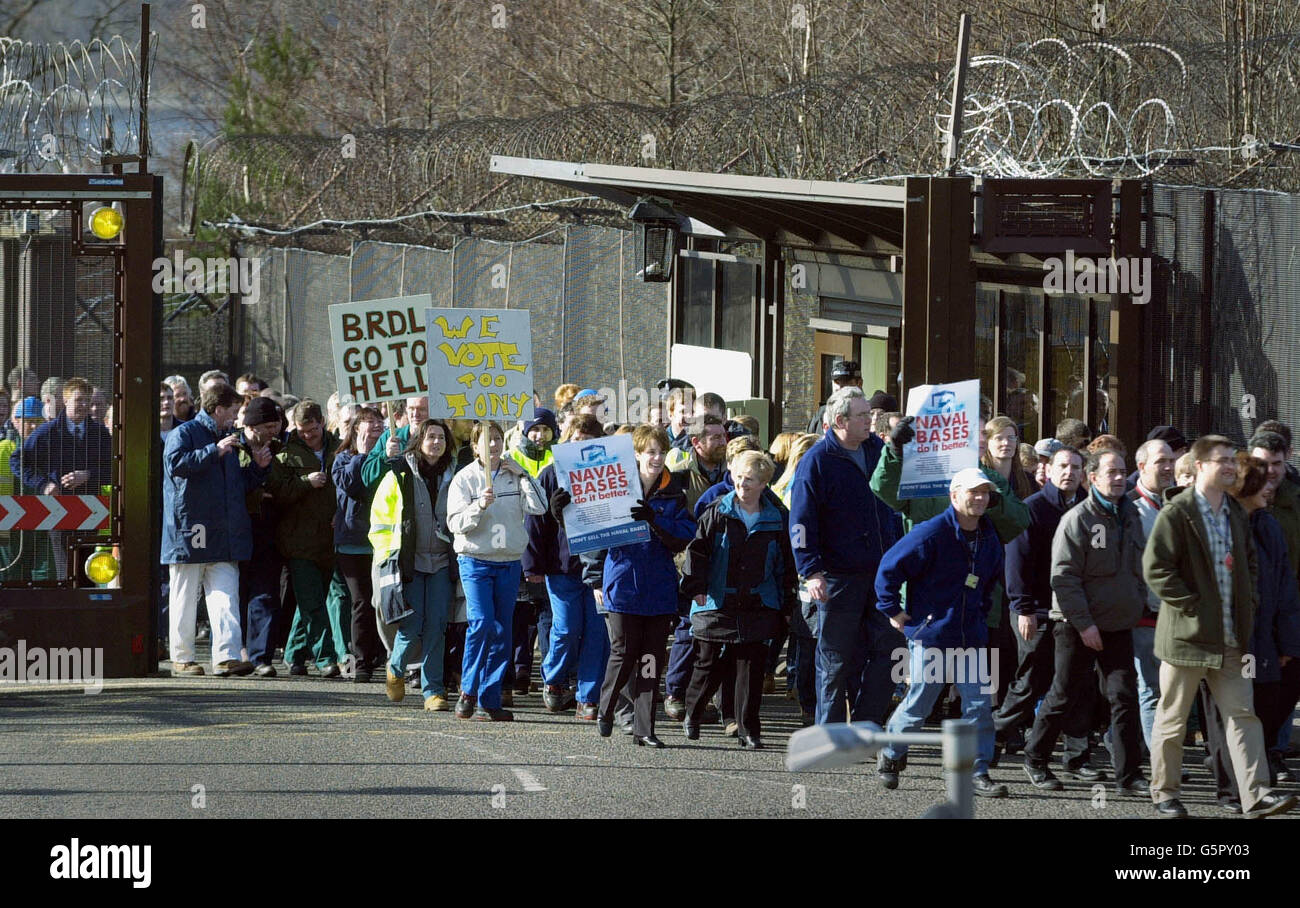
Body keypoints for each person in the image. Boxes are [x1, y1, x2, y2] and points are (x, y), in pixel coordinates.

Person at [1143, 434, 1297, 818]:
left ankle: (1256, 795)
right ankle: (1165, 793)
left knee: (1243, 716)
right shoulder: (1177, 513)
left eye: (1232, 459)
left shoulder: (1233, 511)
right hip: (1187, 639)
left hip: (1231, 639)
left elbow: (1250, 563)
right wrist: (1192, 606)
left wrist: (1250, 604)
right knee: (1173, 719)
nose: (1230, 466)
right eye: (1221, 461)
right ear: (1199, 466)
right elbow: (1156, 569)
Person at [1021, 448, 1149, 796]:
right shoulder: (1077, 519)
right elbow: (1063, 577)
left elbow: (1139, 567)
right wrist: (1084, 623)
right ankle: (1035, 758)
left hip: (1119, 624)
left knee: (1124, 697)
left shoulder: (1131, 516)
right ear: (1092, 478)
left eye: (1123, 471)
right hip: (1077, 626)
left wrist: (1136, 599)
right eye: (1111, 472)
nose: (1119, 478)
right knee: (1064, 694)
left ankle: (1129, 775)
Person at [874, 468, 1009, 798]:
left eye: (985, 493)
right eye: (972, 491)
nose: (980, 498)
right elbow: (888, 569)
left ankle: (978, 770)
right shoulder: (931, 533)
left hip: (972, 638)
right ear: (954, 495)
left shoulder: (990, 536)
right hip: (932, 636)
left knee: (978, 706)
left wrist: (980, 611)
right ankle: (891, 753)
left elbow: (990, 581)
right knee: (919, 704)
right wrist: (892, 609)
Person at [790, 386, 902, 726]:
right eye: (863, 415)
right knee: (835, 660)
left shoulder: (876, 449)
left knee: (888, 651)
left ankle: (868, 721)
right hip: (838, 576)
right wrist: (811, 571)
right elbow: (801, 522)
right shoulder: (817, 462)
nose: (871, 420)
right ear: (839, 420)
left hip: (882, 574)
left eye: (870, 414)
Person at [582, 425, 694, 745]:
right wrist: (593, 578)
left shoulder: (673, 492)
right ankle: (606, 710)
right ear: (637, 454)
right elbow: (593, 531)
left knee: (651, 659)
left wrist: (654, 519)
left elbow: (684, 535)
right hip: (622, 583)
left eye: (662, 452)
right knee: (623, 652)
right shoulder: (615, 487)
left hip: (658, 586)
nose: (657, 458)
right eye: (651, 452)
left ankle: (645, 728)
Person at [678, 450, 795, 748]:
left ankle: (749, 729)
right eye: (739, 478)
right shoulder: (717, 511)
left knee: (751, 669)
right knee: (707, 663)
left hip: (758, 602)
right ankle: (693, 712)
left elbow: (785, 563)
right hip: (716, 601)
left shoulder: (777, 517)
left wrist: (785, 602)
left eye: (750, 480)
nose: (742, 485)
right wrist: (696, 587)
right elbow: (698, 552)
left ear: (764, 484)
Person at [162, 382, 271, 676]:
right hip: (191, 527)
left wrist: (258, 468)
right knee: (184, 596)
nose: (236, 418)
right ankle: (182, 658)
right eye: (233, 411)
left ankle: (226, 655)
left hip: (222, 531)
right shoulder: (184, 433)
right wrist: (214, 451)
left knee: (225, 594)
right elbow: (175, 465)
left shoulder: (228, 439)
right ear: (218, 409)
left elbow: (236, 485)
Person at [994, 445, 1089, 766]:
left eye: (1076, 467)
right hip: (1035, 611)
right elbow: (1016, 564)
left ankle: (1077, 756)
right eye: (1063, 465)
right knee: (1031, 681)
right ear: (1047, 471)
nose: (1069, 472)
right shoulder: (1032, 509)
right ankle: (992, 736)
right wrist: (1022, 609)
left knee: (1073, 681)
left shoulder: (1087, 509)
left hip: (1075, 612)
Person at [446, 421, 547, 721]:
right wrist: (479, 506)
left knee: (503, 630)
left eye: (498, 440)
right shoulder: (464, 479)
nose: (493, 446)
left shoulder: (514, 475)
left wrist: (525, 475)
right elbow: (455, 524)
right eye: (486, 441)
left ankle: (489, 699)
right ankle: (468, 691)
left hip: (508, 562)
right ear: (475, 446)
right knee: (482, 623)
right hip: (476, 561)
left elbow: (539, 507)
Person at [525, 414, 610, 719]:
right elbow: (535, 524)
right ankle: (555, 680)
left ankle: (588, 696)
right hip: (562, 566)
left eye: (588, 441)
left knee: (597, 631)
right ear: (565, 441)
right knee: (566, 628)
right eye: (576, 440)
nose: (581, 446)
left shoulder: (608, 475)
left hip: (601, 568)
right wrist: (532, 564)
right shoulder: (550, 476)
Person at [370, 418, 458, 710]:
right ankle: (395, 669)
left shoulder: (456, 473)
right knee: (412, 624)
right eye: (430, 436)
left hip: (443, 562)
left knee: (437, 626)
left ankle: (433, 691)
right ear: (419, 440)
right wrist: (388, 556)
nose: (436, 442)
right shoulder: (399, 473)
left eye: (441, 437)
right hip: (408, 561)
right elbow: (380, 519)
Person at [266, 400, 343, 678]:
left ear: (322, 422)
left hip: (330, 539)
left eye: (312, 430)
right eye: (302, 431)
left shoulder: (340, 448)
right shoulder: (287, 454)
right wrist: (305, 482)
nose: (308, 436)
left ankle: (294, 653)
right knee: (312, 602)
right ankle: (325, 658)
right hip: (298, 540)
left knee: (313, 600)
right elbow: (278, 493)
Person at [19, 377, 113, 580]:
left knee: (87, 572)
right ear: (65, 400)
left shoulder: (101, 434)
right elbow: (18, 461)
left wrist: (88, 475)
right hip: (59, 511)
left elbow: (115, 469)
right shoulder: (47, 433)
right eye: (79, 400)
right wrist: (43, 484)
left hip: (90, 510)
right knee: (66, 571)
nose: (84, 405)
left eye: (87, 400)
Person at [1127, 438, 1177, 751]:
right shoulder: (1129, 508)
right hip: (1143, 615)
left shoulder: (1176, 505)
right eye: (1161, 461)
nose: (1169, 467)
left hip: (1175, 617)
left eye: (1171, 460)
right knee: (1151, 690)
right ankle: (1160, 758)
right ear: (1142, 466)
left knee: (1170, 692)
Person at [506, 407, 559, 701]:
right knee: (518, 613)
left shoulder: (559, 458)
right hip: (517, 547)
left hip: (548, 549)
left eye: (546, 429)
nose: (540, 435)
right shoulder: (512, 458)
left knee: (545, 615)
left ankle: (548, 676)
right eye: (534, 429)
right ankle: (519, 669)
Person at [333, 406, 387, 683]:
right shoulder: (342, 459)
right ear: (356, 429)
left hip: (385, 540)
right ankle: (360, 662)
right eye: (370, 423)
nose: (376, 427)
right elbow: (352, 486)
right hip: (354, 543)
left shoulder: (389, 454)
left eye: (380, 422)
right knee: (361, 602)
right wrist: (364, 454)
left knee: (383, 602)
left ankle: (382, 655)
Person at [237, 397, 289, 676]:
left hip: (269, 527)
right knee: (237, 590)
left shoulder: (281, 449)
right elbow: (234, 485)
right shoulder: (234, 447)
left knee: (265, 592)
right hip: (238, 527)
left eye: (276, 425)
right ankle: (238, 651)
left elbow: (283, 485)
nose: (274, 431)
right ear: (252, 425)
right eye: (268, 426)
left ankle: (261, 657)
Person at [806, 361, 864, 433]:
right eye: (837, 382)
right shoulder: (822, 414)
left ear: (859, 383)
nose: (839, 387)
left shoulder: (869, 414)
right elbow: (808, 441)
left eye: (845, 382)